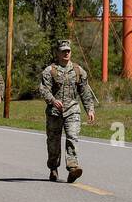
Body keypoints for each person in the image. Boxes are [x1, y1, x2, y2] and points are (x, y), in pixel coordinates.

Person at [39, 39, 97, 182]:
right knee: (53, 142)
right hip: (54, 112)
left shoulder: (78, 70)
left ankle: (72, 168)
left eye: (68, 51)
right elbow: (43, 89)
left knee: (72, 137)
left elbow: (85, 91)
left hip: (72, 110)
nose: (66, 53)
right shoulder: (49, 71)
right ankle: (53, 168)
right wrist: (53, 100)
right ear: (57, 53)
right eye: (63, 51)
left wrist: (90, 109)